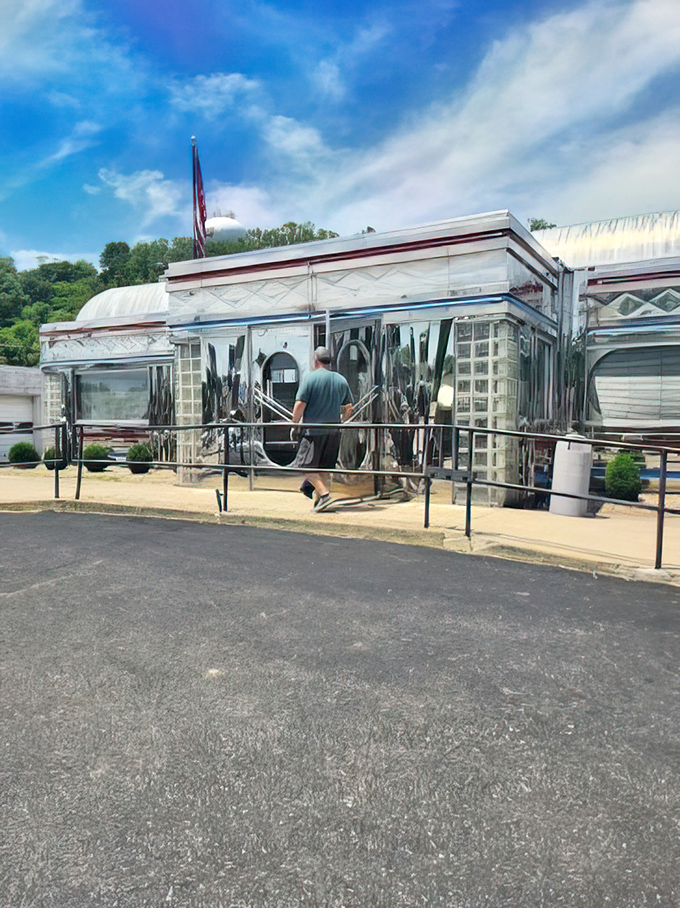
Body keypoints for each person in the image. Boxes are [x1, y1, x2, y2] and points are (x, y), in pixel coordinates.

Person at [291, 346, 353, 511]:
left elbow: (300, 405)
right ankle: (321, 503)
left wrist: (294, 423)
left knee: (304, 465)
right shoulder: (341, 380)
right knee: (325, 468)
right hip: (334, 432)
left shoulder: (310, 378)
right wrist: (343, 421)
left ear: (316, 361)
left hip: (313, 432)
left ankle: (324, 495)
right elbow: (348, 408)